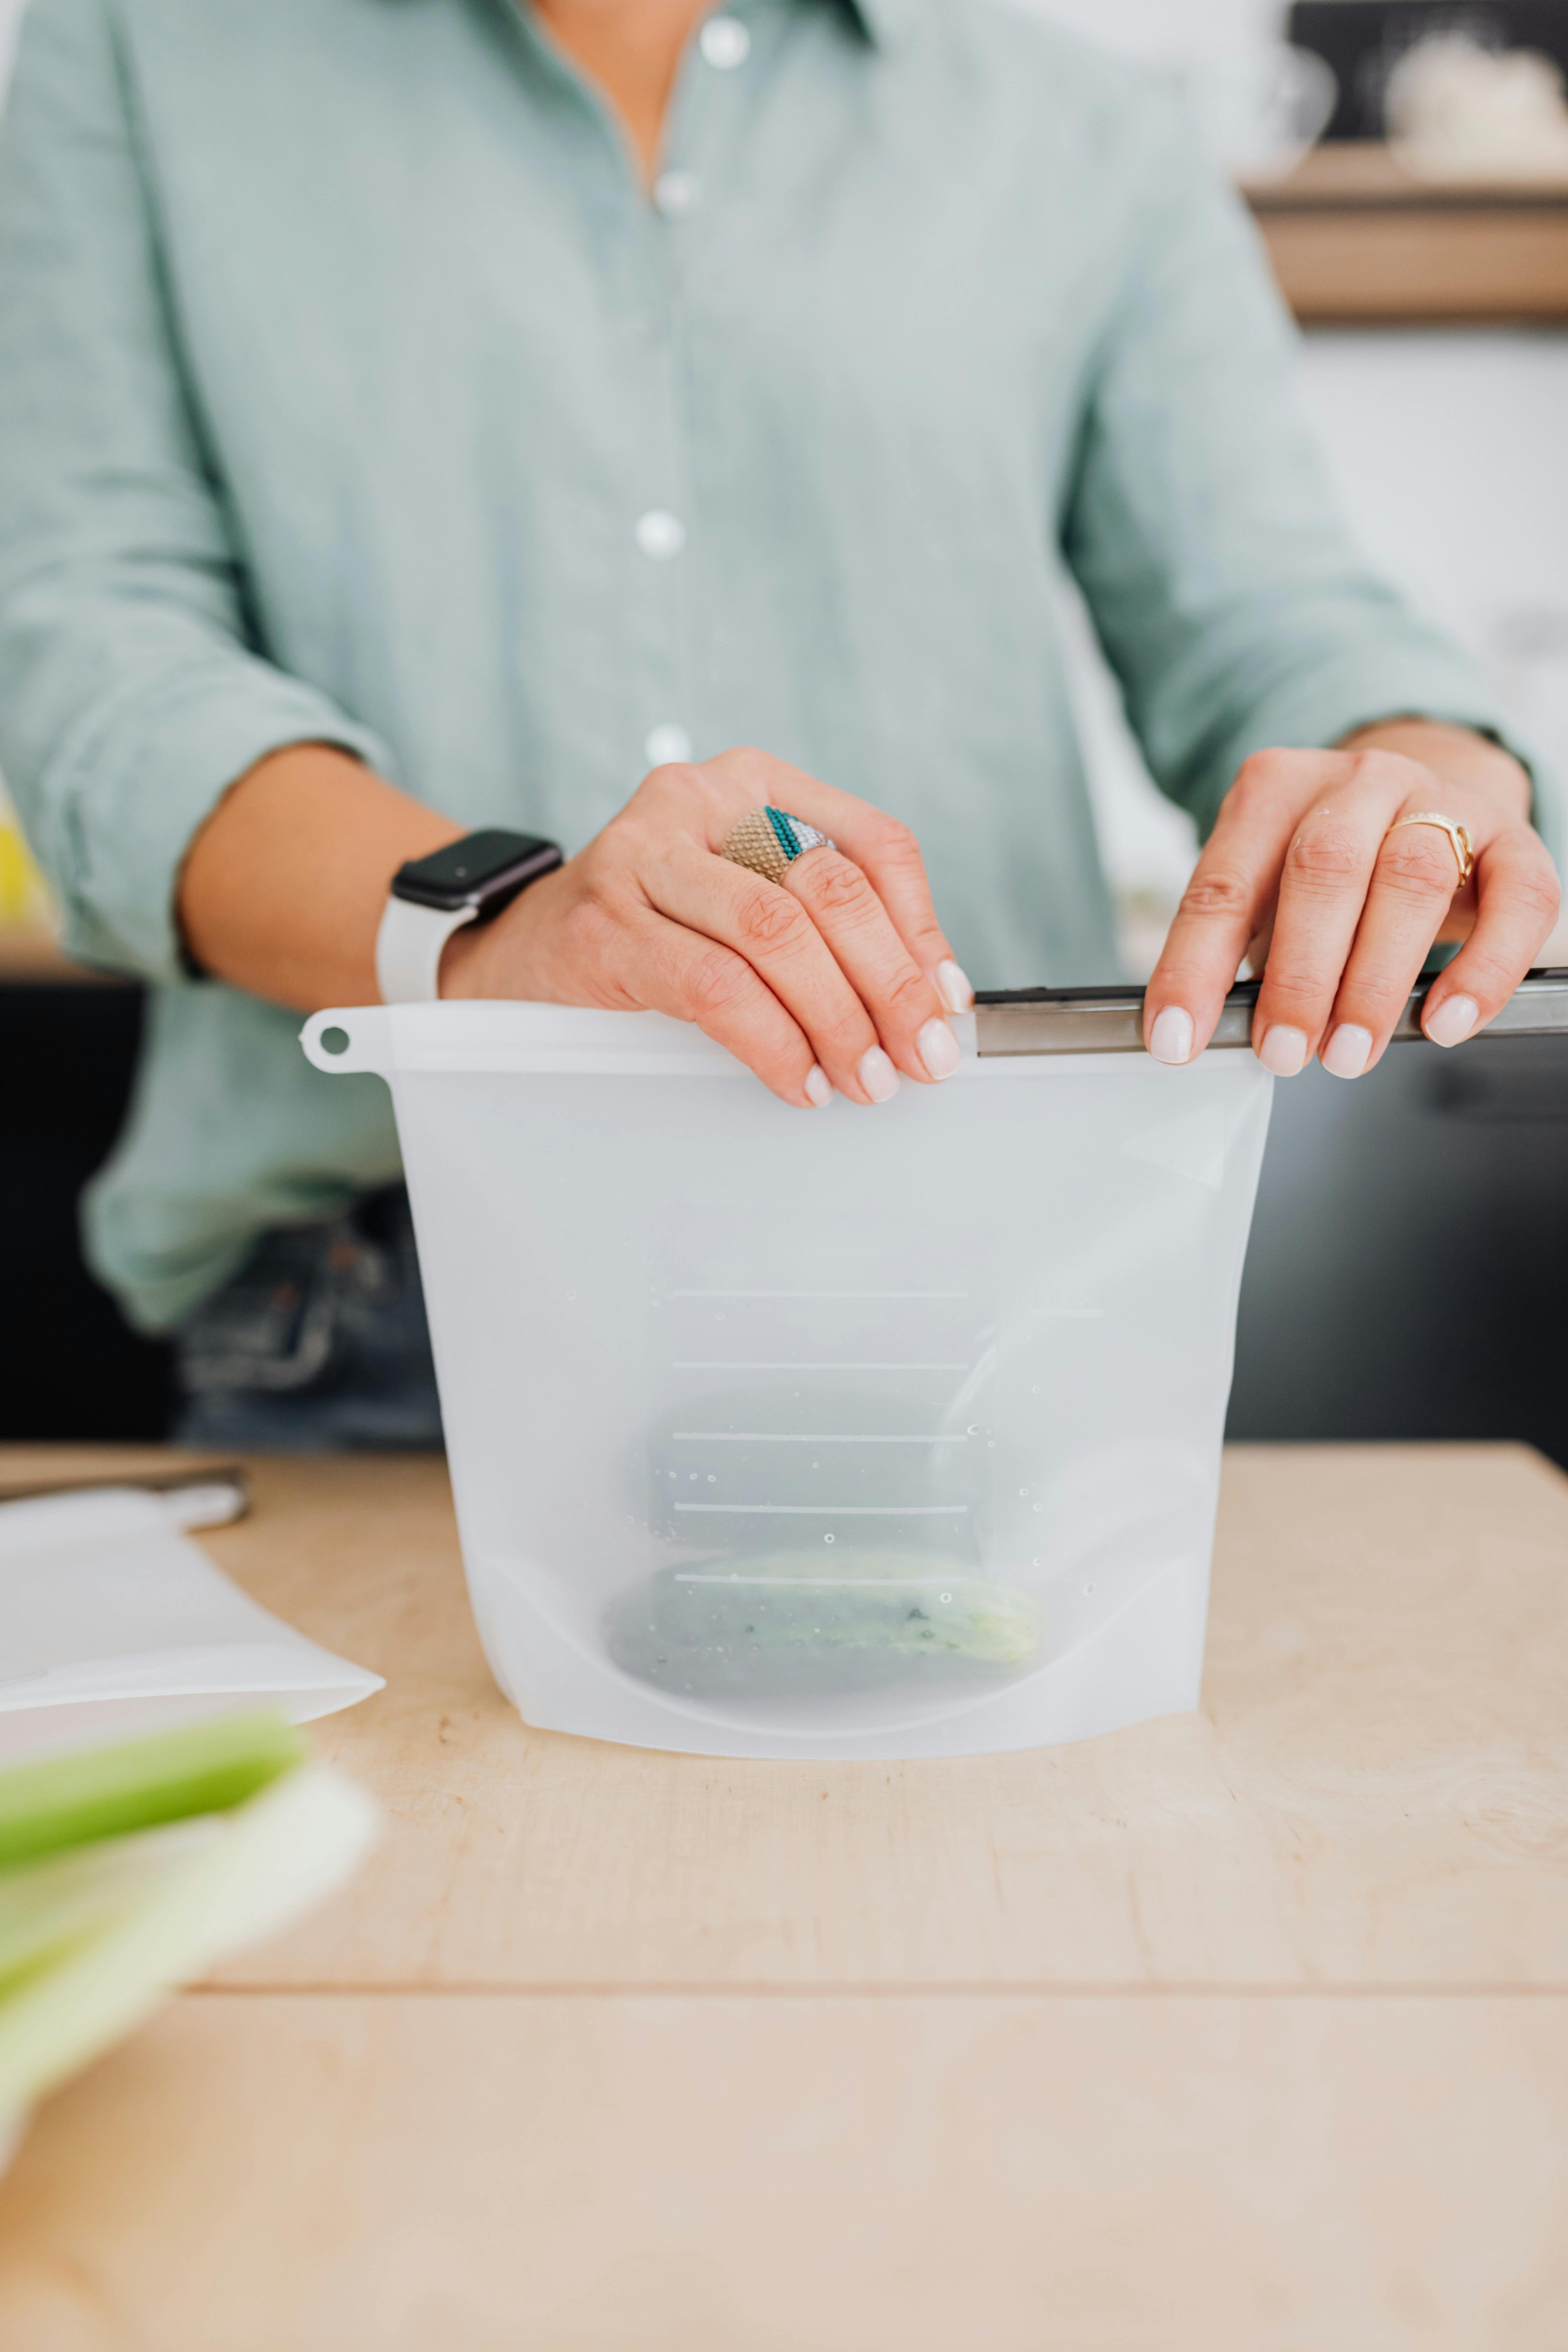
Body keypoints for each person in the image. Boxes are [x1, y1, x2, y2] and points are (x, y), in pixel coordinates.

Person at [0, 0, 1558, 1448]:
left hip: (991, 1286)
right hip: (389, 1311)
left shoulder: (1075, 129)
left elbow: (1274, 609)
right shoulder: (141, 49)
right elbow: (92, 649)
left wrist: (1422, 774)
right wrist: (501, 930)